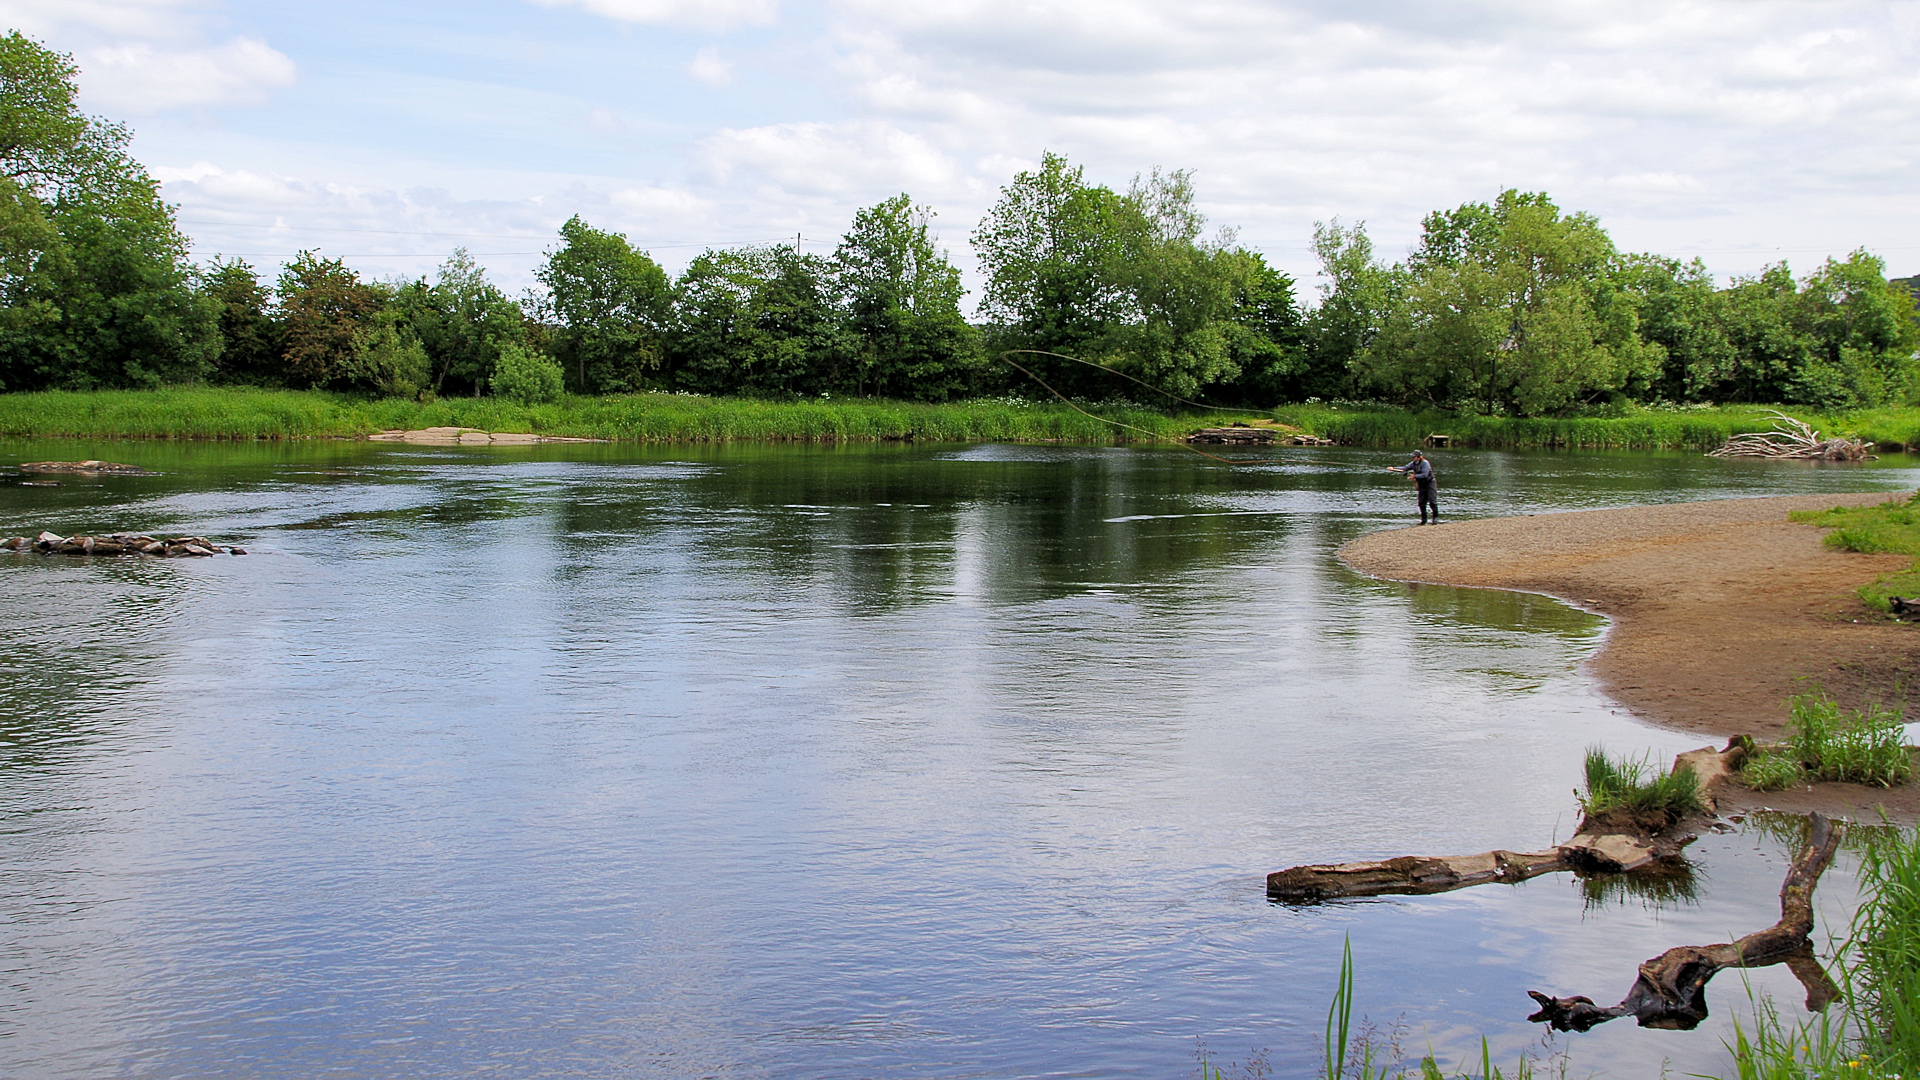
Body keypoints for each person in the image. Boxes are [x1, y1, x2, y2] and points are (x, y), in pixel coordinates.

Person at [1387, 450, 1439, 524]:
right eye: (1412, 457)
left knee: (1432, 501)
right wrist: (1393, 468)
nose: (1413, 458)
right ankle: (1424, 520)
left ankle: (1435, 518)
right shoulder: (1413, 463)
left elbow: (1425, 475)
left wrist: (1414, 476)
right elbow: (1405, 468)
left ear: (1418, 457)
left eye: (1414, 457)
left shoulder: (1425, 463)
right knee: (1421, 503)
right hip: (1421, 484)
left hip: (1430, 483)